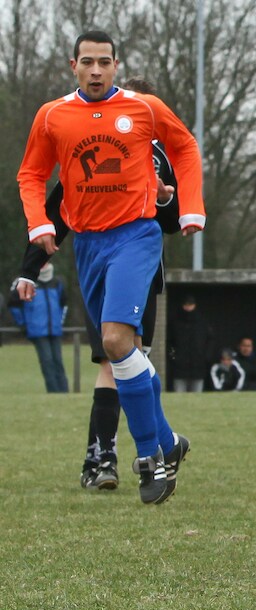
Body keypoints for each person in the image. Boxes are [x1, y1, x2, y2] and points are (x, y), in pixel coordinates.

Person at [17, 31, 204, 504]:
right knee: (124, 351)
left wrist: (190, 208)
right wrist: (40, 224)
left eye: (104, 62)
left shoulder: (143, 108)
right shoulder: (53, 115)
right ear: (73, 66)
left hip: (136, 237)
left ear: (116, 65)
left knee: (117, 341)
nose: (96, 70)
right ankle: (167, 440)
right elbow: (32, 175)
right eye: (87, 62)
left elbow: (184, 147)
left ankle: (149, 458)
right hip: (88, 245)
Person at [8, 262, 69, 393]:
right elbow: (13, 304)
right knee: (47, 361)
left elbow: (64, 303)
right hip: (37, 330)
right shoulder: (24, 281)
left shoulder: (57, 282)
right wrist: (23, 324)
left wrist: (59, 322)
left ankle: (64, 392)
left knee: (58, 361)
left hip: (54, 329)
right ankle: (53, 392)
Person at [167, 295, 212, 392]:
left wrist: (206, 356)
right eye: (186, 305)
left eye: (190, 305)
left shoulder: (202, 323)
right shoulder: (175, 322)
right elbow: (169, 342)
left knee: (197, 394)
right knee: (178, 394)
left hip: (198, 365)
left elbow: (210, 340)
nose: (188, 307)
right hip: (179, 366)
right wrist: (173, 356)